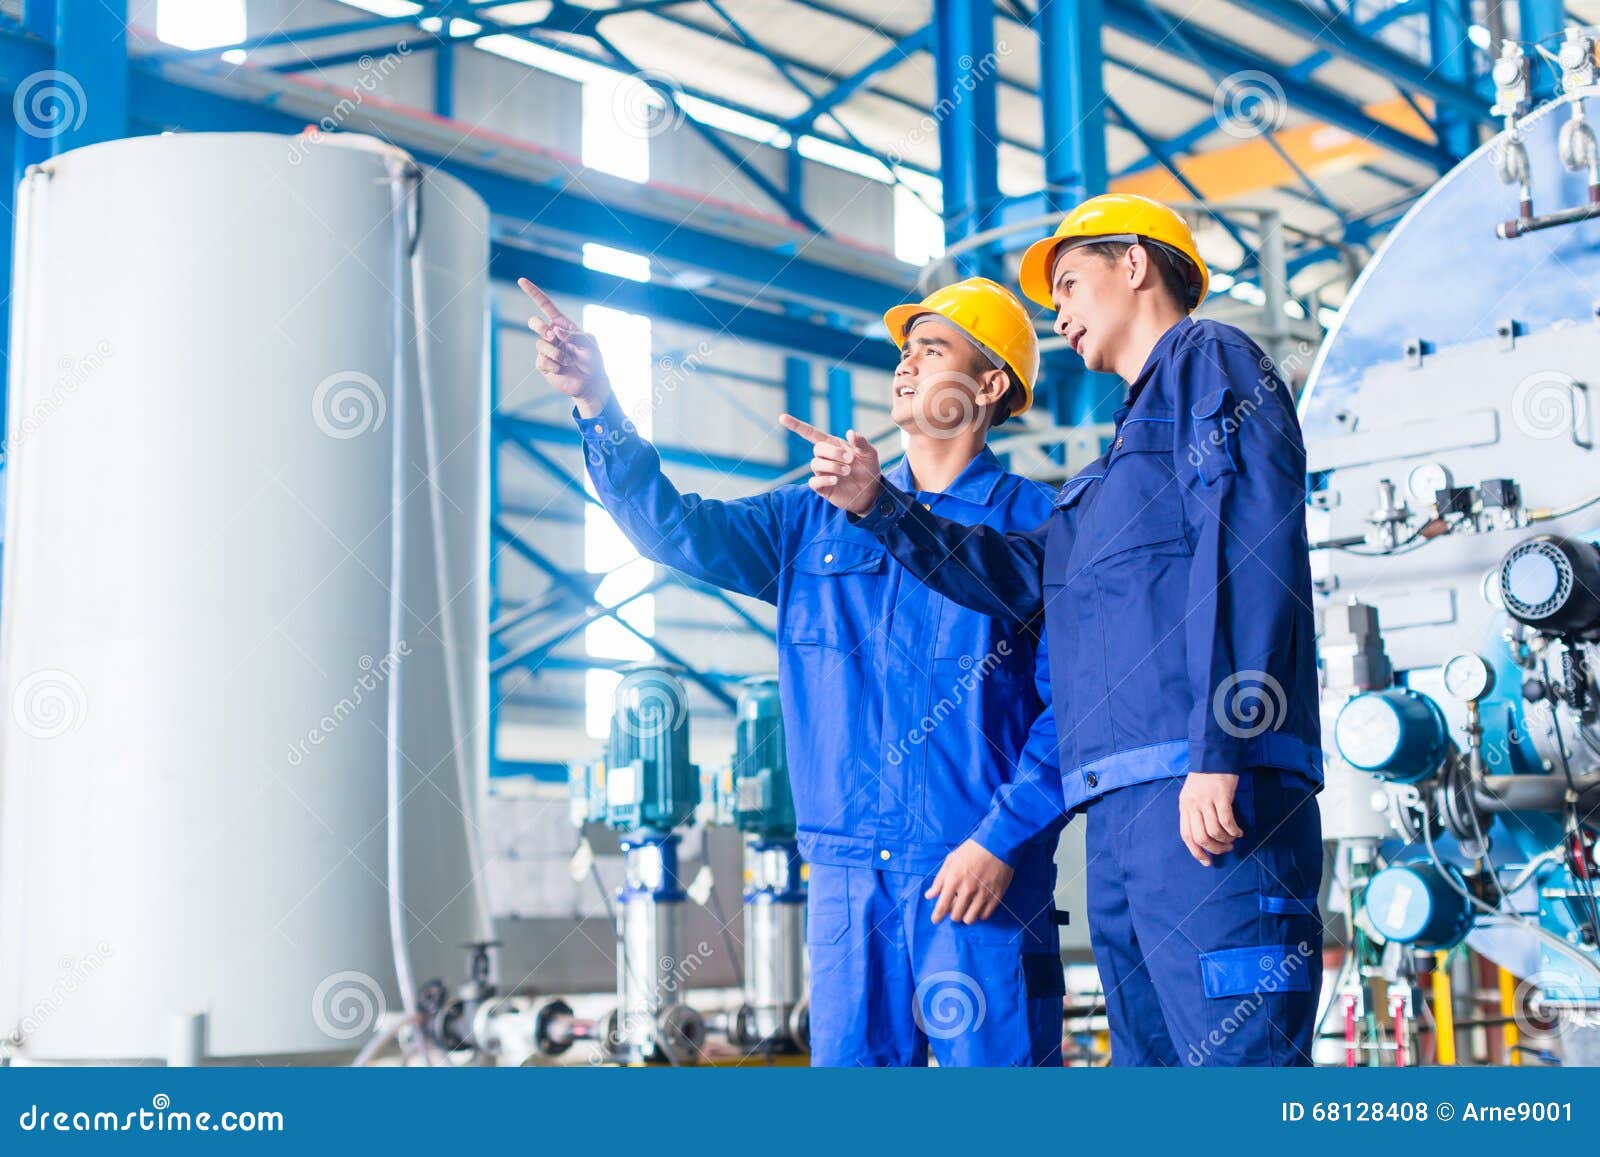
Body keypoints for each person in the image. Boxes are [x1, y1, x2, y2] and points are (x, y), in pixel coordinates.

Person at [799, 194, 1325, 1067]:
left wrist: (1222, 748)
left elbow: (1245, 549)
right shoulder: (1107, 474)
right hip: (1122, 809)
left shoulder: (1213, 362)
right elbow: (1011, 578)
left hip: (1202, 790)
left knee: (1241, 1068)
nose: (1062, 315)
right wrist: (880, 507)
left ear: (1135, 265)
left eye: (1071, 285)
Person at [521, 275, 1066, 1066]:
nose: (906, 366)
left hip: (978, 876)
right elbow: (673, 529)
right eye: (905, 351)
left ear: (990, 384)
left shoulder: (1038, 525)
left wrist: (1002, 838)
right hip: (848, 884)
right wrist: (599, 405)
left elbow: (1077, 708)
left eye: (934, 348)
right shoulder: (811, 518)